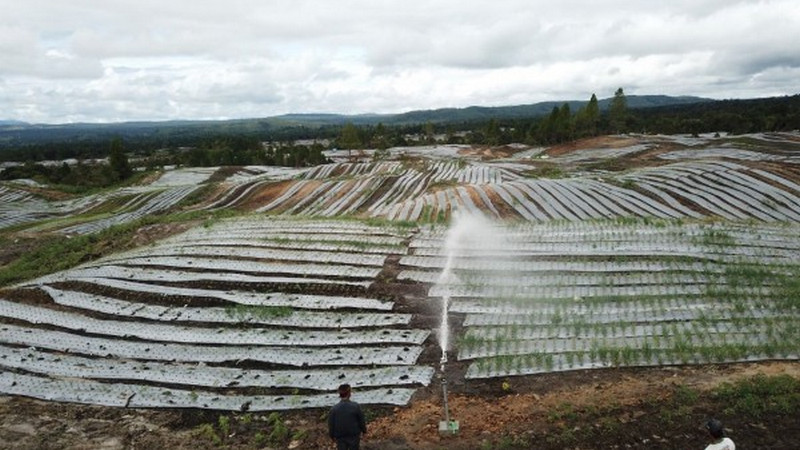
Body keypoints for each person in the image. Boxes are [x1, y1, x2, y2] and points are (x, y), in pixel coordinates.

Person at [328, 383, 367, 450]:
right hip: (353, 435)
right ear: (349, 393)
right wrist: (364, 431)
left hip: (340, 436)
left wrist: (332, 435)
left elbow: (331, 423)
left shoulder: (334, 409)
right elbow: (361, 420)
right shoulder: (355, 406)